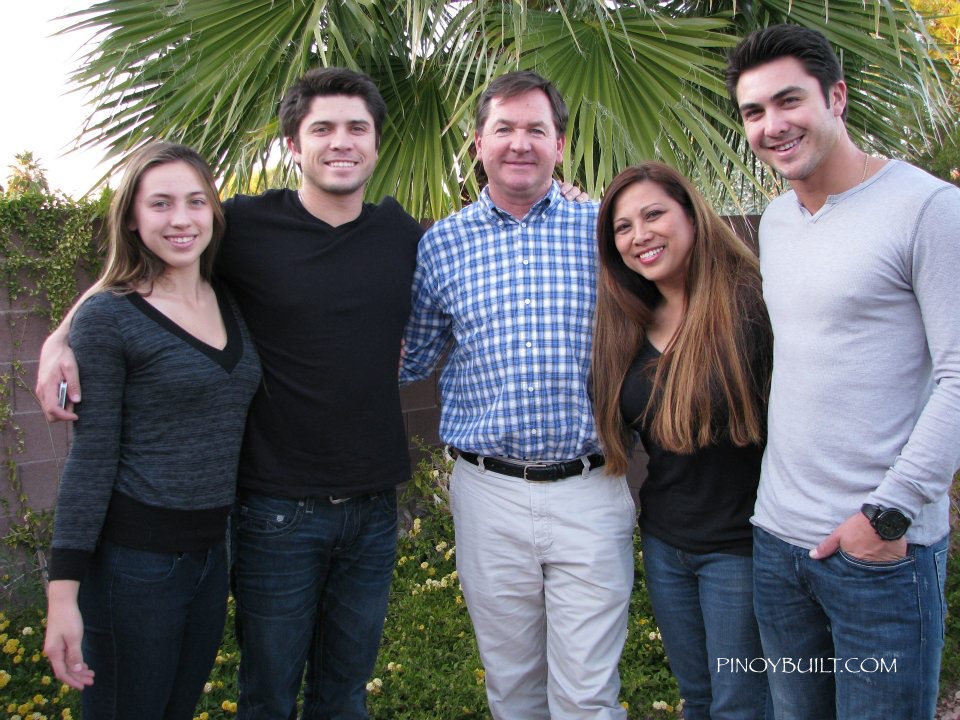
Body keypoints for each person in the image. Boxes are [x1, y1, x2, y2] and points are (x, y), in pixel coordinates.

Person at [37, 68, 425, 719]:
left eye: (357, 127)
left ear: (376, 142)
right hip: (275, 511)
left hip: (373, 508)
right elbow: (144, 272)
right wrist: (61, 334)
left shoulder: (402, 235)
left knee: (345, 695)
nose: (341, 142)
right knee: (267, 694)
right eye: (322, 128)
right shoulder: (243, 225)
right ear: (293, 144)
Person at [725, 24, 960, 720]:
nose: (772, 125)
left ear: (836, 96)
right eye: (754, 111)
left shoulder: (928, 209)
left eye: (788, 100)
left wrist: (886, 515)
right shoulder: (776, 221)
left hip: (880, 554)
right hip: (777, 543)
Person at [399, 70, 636, 720]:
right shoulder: (442, 244)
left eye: (536, 129)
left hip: (591, 486)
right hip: (489, 493)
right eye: (504, 128)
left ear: (560, 144)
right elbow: (407, 357)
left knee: (588, 695)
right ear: (479, 142)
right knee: (512, 690)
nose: (519, 143)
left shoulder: (607, 230)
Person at [42, 142, 262, 718]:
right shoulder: (109, 317)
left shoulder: (229, 297)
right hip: (134, 565)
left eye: (196, 201)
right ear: (133, 219)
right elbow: (90, 458)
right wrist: (62, 595)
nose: (181, 219)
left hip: (211, 555)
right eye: (160, 204)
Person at [591, 161, 773, 719]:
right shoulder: (630, 319)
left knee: (741, 706)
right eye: (623, 227)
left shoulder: (752, 304)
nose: (639, 235)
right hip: (666, 543)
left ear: (692, 214)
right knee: (698, 697)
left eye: (653, 214)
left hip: (740, 547)